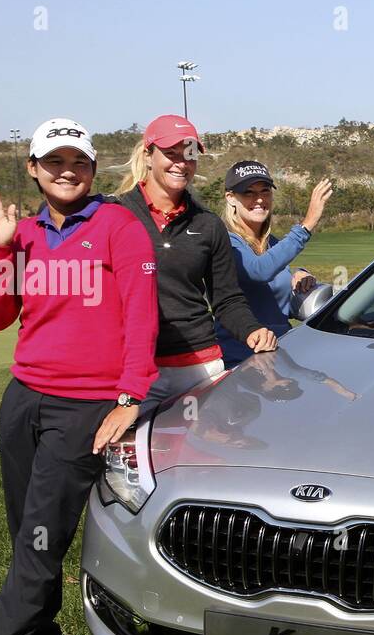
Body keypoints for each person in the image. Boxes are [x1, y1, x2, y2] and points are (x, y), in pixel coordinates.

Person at [0, 118, 159, 635]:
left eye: (78, 160)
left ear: (93, 169)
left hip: (87, 406)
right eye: (53, 161)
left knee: (43, 536)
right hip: (24, 399)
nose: (66, 170)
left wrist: (128, 397)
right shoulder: (20, 235)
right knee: (27, 532)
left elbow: (142, 316)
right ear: (33, 169)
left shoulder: (119, 226)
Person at [111, 115, 276, 416]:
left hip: (200, 364)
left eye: (189, 154)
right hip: (134, 368)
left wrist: (251, 330)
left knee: (208, 454)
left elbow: (226, 299)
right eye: (170, 153)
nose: (181, 163)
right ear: (148, 156)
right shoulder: (114, 213)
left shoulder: (208, 224)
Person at [218, 160, 333, 368]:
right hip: (239, 361)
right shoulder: (225, 241)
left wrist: (298, 279)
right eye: (249, 192)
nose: (260, 199)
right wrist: (306, 225)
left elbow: (276, 300)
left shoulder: (273, 244)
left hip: (278, 357)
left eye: (265, 191)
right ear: (231, 198)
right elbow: (258, 271)